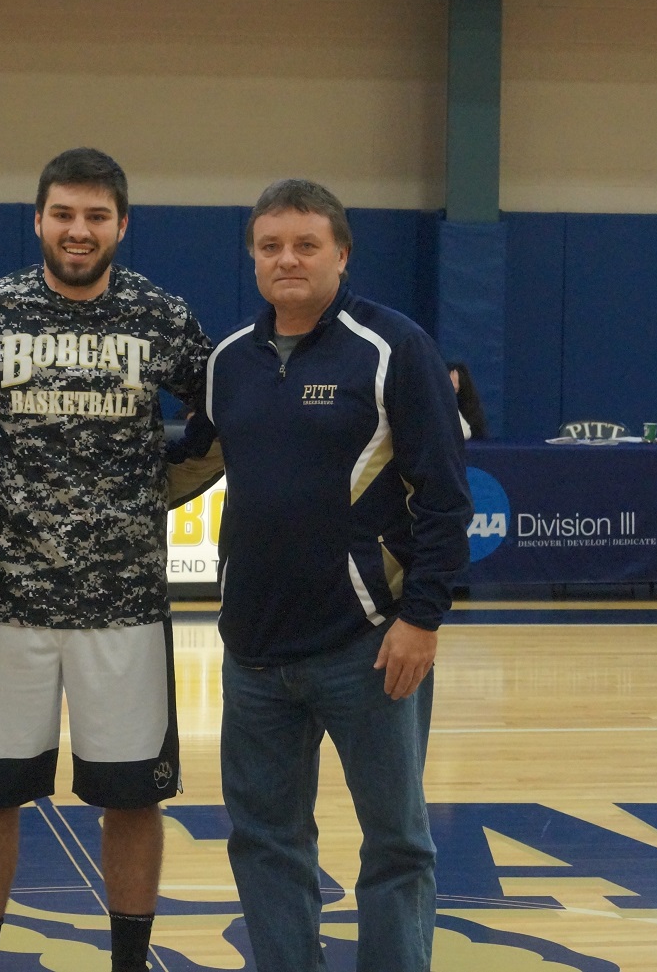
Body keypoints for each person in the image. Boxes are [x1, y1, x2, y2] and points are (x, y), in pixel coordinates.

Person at [0, 147, 212, 972]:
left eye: (97, 216)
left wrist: (151, 493)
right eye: (64, 213)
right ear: (38, 219)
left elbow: (224, 410)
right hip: (4, 603)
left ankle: (128, 962)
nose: (79, 230)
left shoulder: (162, 318)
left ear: (122, 225)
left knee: (131, 799)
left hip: (123, 606)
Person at [191, 179, 472, 971]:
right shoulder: (227, 361)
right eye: (271, 245)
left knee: (396, 846)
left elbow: (448, 498)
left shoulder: (394, 347)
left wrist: (421, 618)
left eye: (306, 244)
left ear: (341, 255)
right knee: (267, 842)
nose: (288, 258)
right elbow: (192, 459)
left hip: (371, 648)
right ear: (252, 257)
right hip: (252, 655)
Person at [447, 359, 488, 441]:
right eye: (448, 389)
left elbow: (465, 433)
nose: (451, 394)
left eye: (455, 389)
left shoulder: (473, 417)